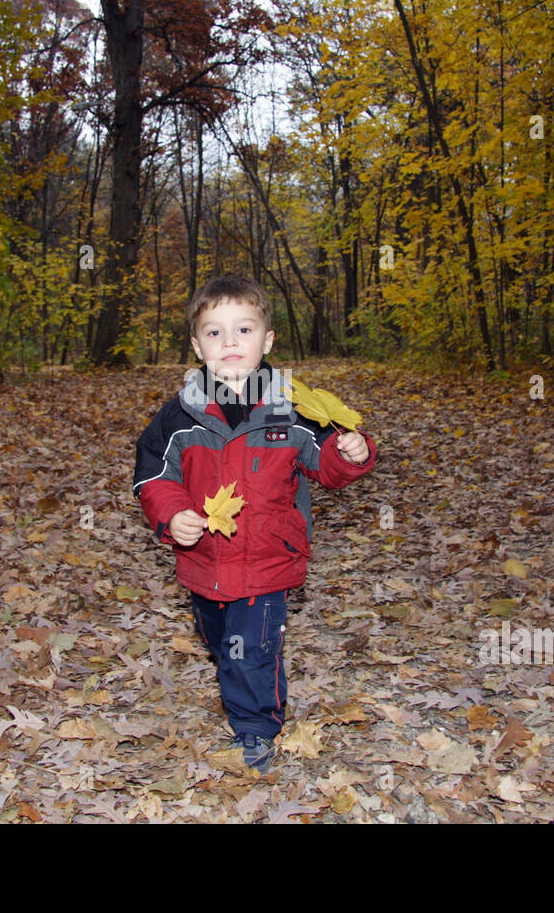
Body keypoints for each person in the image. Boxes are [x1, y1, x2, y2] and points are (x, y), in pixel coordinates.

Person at [132, 275, 378, 774]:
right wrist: (172, 513)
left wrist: (352, 453)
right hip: (205, 559)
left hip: (269, 557)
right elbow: (154, 474)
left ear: (266, 341)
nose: (230, 343)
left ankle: (256, 729)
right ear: (197, 344)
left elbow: (326, 467)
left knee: (252, 649)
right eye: (215, 332)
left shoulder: (292, 407)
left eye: (243, 330)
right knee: (219, 638)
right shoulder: (179, 415)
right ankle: (233, 669)